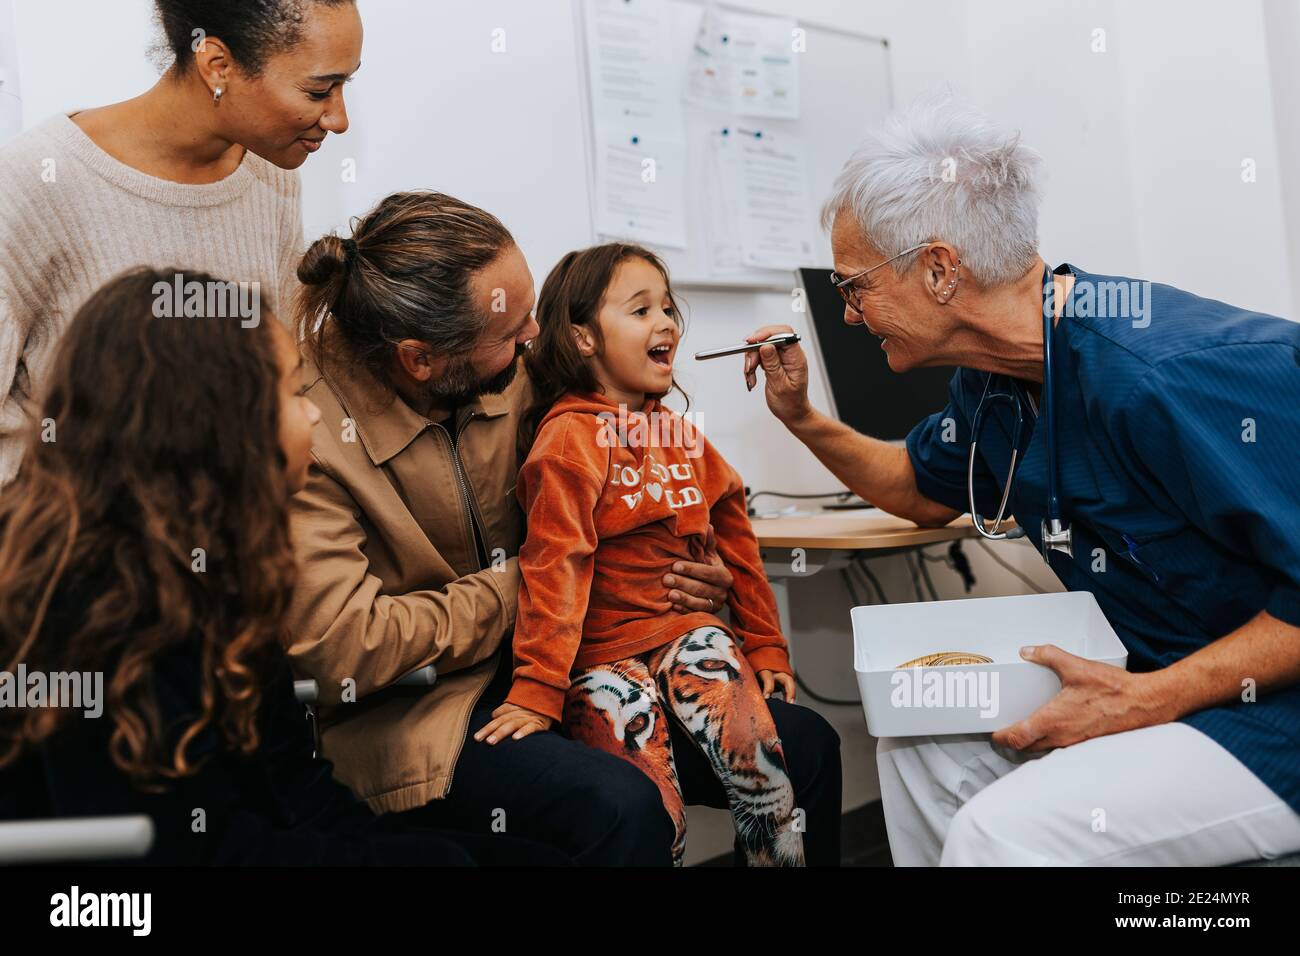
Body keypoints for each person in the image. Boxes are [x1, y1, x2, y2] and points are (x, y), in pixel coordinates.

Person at [743, 95, 1300, 866]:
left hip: (1273, 716)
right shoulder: (993, 382)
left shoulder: (1171, 374)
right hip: (1179, 685)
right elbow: (917, 486)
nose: (846, 314)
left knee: (1002, 831)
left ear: (941, 269)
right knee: (920, 739)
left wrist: (1147, 700)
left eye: (853, 286)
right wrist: (801, 415)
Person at [286, 191, 843, 865]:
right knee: (619, 807)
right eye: (511, 331)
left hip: (580, 656)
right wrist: (536, 583)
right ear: (421, 359)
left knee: (805, 743)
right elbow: (346, 644)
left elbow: (628, 448)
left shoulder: (518, 373)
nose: (532, 340)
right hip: (422, 716)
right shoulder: (310, 434)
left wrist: (691, 562)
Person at [0, 268, 566, 865]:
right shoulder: (94, 609)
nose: (317, 417)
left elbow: (297, 791)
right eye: (292, 394)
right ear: (216, 423)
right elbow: (176, 854)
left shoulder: (221, 572)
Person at [475, 243, 805, 867]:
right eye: (640, 310)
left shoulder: (681, 434)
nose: (667, 323)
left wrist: (765, 644)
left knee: (764, 773)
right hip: (599, 652)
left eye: (669, 308)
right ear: (582, 339)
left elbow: (737, 538)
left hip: (687, 631)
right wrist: (538, 688)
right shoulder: (567, 440)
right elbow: (554, 565)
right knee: (652, 815)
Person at [0, 0, 363, 488]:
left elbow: (275, 391)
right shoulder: (32, 183)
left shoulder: (270, 178)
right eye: (319, 90)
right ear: (218, 65)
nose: (338, 118)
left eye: (346, 85)